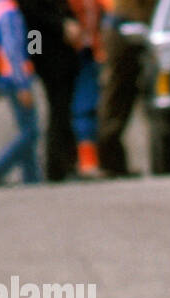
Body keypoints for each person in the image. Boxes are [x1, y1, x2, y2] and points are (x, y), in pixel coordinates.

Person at [17, 0, 77, 180]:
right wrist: (35, 58)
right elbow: (32, 22)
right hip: (46, 54)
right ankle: (55, 166)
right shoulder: (33, 12)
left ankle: (64, 163)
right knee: (54, 112)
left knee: (62, 111)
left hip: (60, 53)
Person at [97, 0, 155, 177]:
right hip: (122, 30)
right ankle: (109, 162)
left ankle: (114, 163)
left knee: (123, 95)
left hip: (132, 28)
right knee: (117, 95)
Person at [0, 0, 39, 182]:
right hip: (15, 77)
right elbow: (13, 50)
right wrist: (22, 84)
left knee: (27, 128)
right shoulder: (8, 13)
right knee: (31, 131)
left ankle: (32, 178)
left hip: (8, 75)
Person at [67, 0, 103, 176]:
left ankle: (94, 161)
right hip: (74, 56)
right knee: (83, 109)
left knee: (93, 108)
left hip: (94, 53)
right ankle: (86, 163)